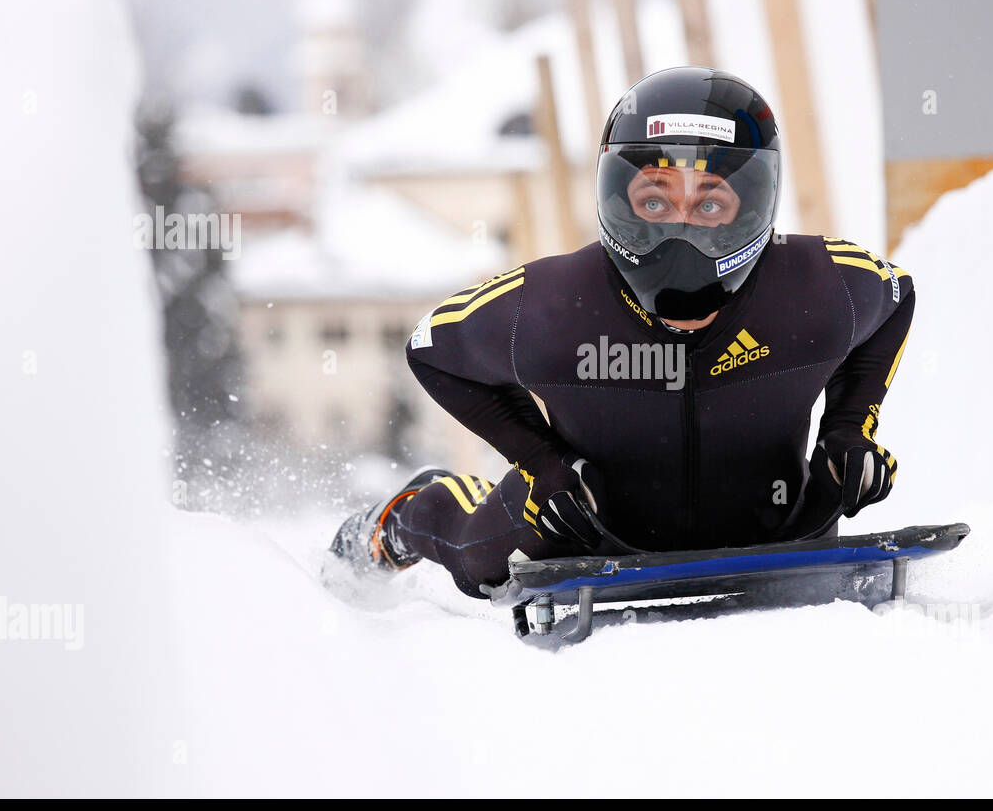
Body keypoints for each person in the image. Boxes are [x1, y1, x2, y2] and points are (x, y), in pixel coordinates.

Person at [329, 66, 914, 600]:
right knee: (477, 563)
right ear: (618, 200)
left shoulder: (816, 285)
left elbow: (896, 299)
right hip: (581, 525)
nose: (682, 231)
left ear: (756, 203)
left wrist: (847, 432)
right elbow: (432, 349)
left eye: (710, 206)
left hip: (778, 525)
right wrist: (543, 463)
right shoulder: (551, 305)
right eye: (655, 201)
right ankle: (399, 521)